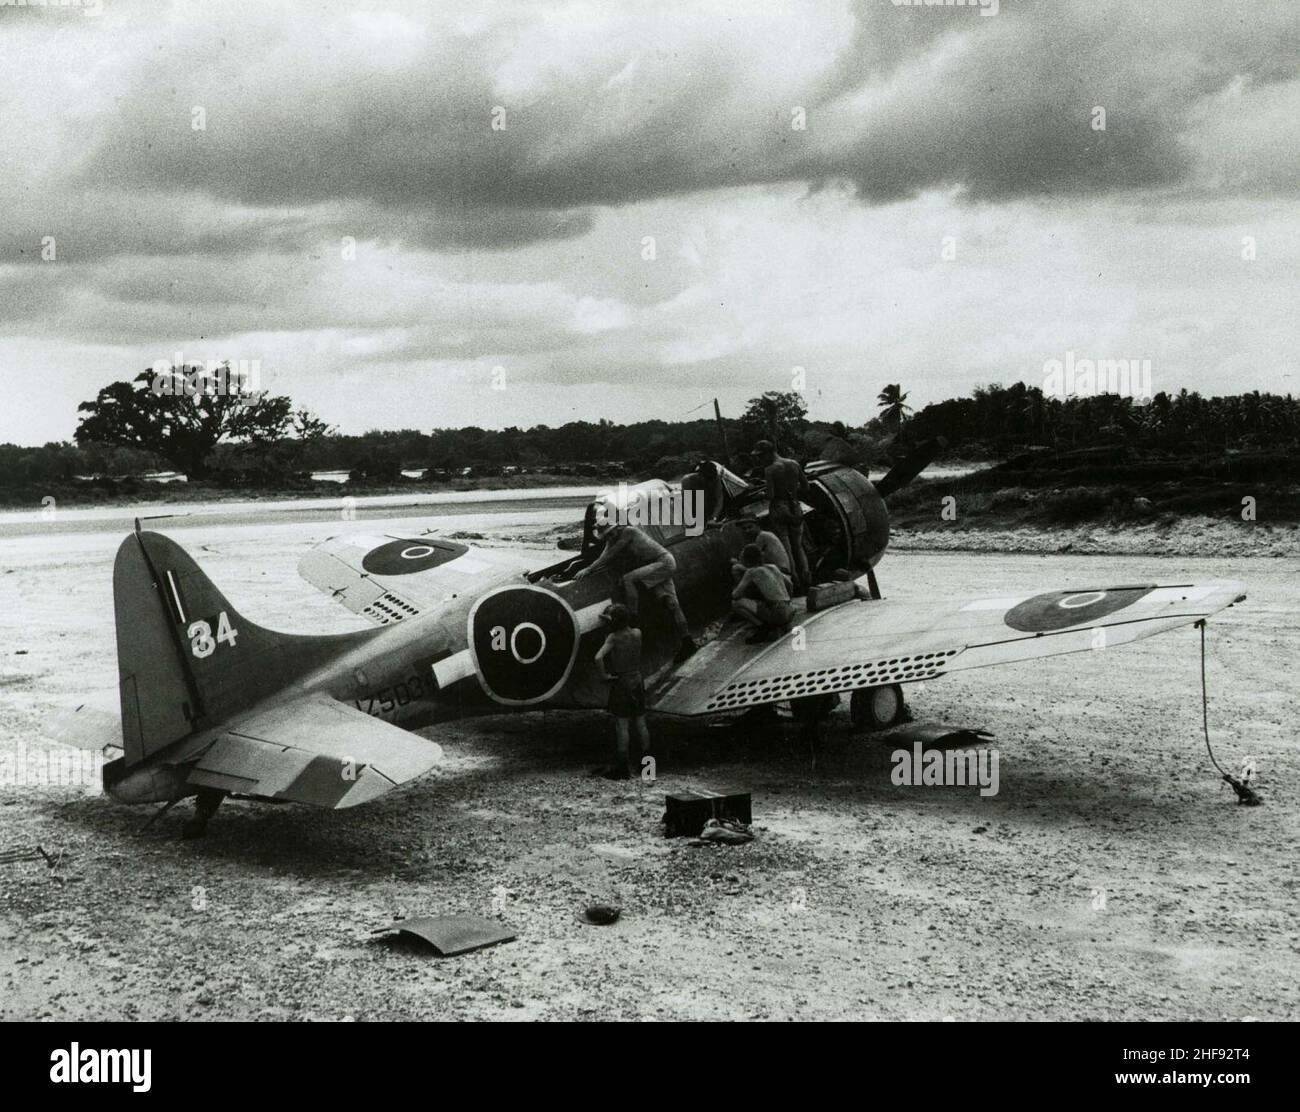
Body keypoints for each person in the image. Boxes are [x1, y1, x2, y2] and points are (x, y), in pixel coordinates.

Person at [574, 523, 697, 664]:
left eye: (610, 533)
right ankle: (687, 642)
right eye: (606, 536)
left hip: (663, 562)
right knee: (672, 604)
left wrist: (588, 569)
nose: (609, 537)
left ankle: (633, 616)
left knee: (628, 579)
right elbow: (604, 556)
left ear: (616, 528)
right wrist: (589, 569)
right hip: (655, 566)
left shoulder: (629, 532)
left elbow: (610, 554)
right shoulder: (612, 539)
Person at [593, 604, 649, 780]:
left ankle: (622, 769)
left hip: (622, 682)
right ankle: (648, 768)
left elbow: (598, 657)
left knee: (622, 726)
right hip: (637, 679)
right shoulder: (637, 633)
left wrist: (604, 676)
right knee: (641, 724)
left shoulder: (613, 637)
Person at [753, 439, 811, 593]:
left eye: (760, 456)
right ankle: (807, 579)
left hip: (779, 508)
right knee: (798, 547)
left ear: (768, 453)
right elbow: (806, 486)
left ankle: (795, 583)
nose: (759, 459)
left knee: (786, 549)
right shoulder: (793, 463)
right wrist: (792, 492)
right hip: (796, 506)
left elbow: (771, 495)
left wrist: (761, 494)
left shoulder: (770, 469)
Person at [731, 543, 794, 644]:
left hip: (778, 612)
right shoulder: (773, 567)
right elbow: (790, 584)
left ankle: (763, 628)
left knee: (736, 604)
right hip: (790, 610)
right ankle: (782, 624)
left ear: (747, 560)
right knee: (768, 602)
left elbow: (735, 595)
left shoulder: (751, 572)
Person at [731, 515, 793, 592]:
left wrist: (735, 561)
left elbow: (748, 560)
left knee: (736, 568)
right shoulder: (764, 535)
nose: (747, 531)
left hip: (781, 574)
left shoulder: (762, 536)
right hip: (778, 572)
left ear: (757, 526)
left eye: (750, 527)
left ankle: (748, 595)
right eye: (744, 529)